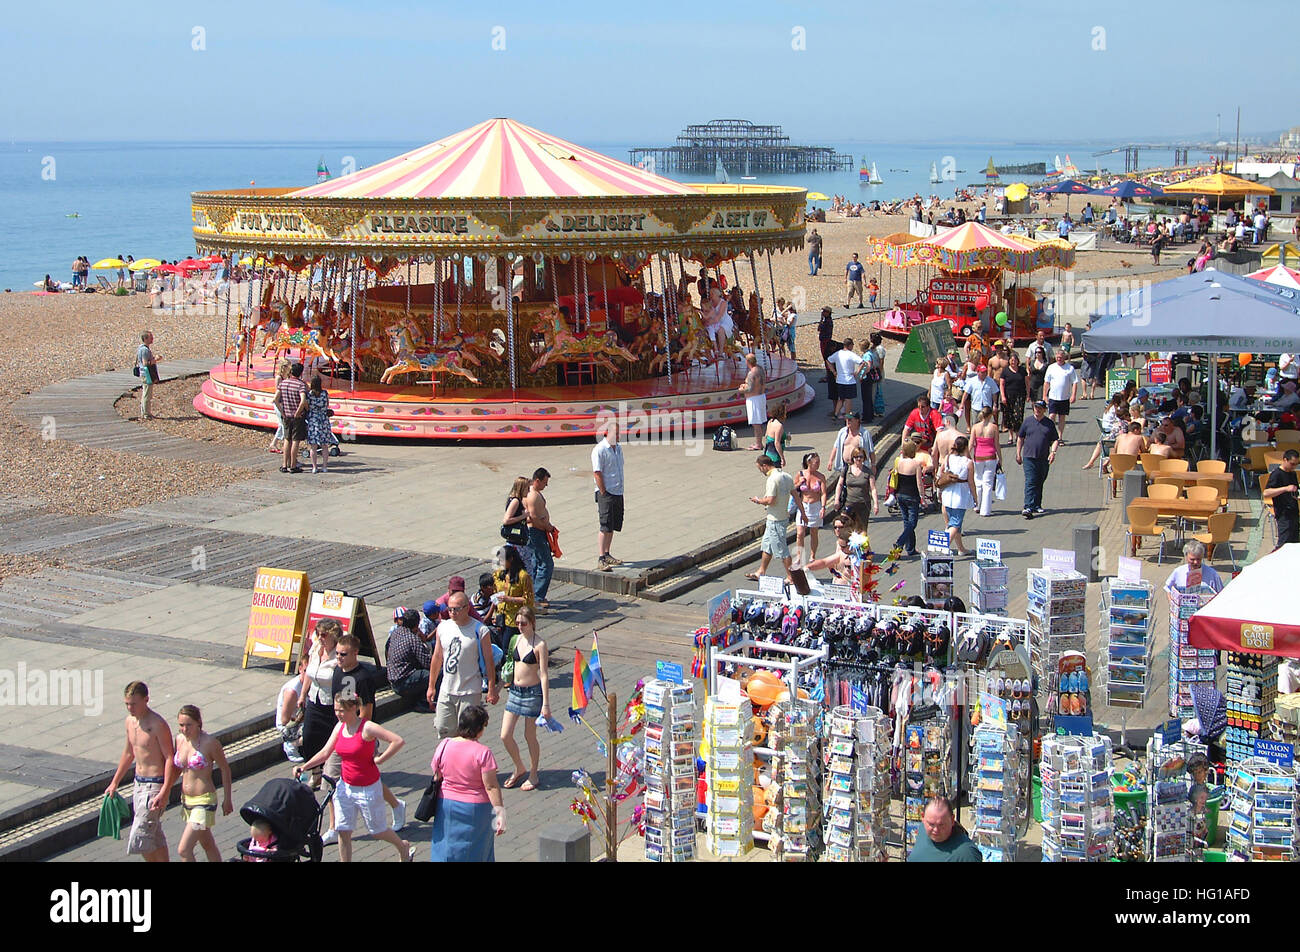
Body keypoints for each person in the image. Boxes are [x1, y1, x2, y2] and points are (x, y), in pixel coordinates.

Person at [293, 691, 412, 862]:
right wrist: (304, 767)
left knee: (377, 831)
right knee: (343, 830)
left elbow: (397, 741)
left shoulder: (367, 727)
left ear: (354, 708)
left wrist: (380, 759)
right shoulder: (339, 727)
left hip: (368, 788)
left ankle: (403, 847)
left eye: (342, 711)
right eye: (336, 710)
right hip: (345, 787)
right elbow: (326, 752)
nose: (338, 714)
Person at [332, 633, 407, 830]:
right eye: (337, 653)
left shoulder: (363, 677)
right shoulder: (337, 672)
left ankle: (396, 805)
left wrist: (361, 735)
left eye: (343, 654)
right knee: (344, 778)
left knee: (366, 776)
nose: (338, 658)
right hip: (343, 732)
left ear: (355, 653)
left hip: (360, 735)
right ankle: (335, 827)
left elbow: (367, 709)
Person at [106, 681, 177, 862]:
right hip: (138, 783)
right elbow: (129, 753)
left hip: (154, 784)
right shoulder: (130, 722)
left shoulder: (157, 724)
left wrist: (165, 790)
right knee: (153, 834)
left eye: (134, 704)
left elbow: (170, 757)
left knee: (140, 837)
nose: (130, 708)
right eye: (127, 704)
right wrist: (115, 782)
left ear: (146, 700)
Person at [428, 705, 506, 862]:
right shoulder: (483, 752)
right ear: (478, 729)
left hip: (446, 805)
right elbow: (490, 786)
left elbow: (437, 772)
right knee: (477, 850)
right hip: (476, 809)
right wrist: (500, 812)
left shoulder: (444, 745)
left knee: (445, 846)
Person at [428, 592, 499, 740]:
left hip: (470, 691)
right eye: (450, 609)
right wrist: (431, 686)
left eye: (456, 609)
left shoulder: (480, 630)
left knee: (467, 733)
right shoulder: (443, 627)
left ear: (467, 608)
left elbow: (489, 660)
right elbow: (437, 657)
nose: (452, 613)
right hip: (447, 690)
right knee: (443, 728)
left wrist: (491, 688)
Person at [172, 705, 232, 862]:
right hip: (187, 802)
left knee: (184, 849)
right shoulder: (179, 740)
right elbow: (178, 770)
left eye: (188, 725)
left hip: (204, 803)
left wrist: (227, 799)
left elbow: (225, 769)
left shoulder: (210, 743)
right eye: (181, 725)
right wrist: (164, 791)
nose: (184, 729)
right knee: (207, 842)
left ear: (199, 722)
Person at [499, 606, 551, 791]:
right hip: (514, 691)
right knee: (505, 735)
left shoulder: (540, 644)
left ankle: (533, 773)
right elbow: (509, 667)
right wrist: (497, 688)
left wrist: (546, 704)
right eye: (518, 623)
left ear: (532, 623)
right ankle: (519, 766)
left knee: (529, 736)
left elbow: (544, 674)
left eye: (523, 623)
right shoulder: (515, 639)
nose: (520, 626)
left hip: (532, 693)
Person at [746, 450, 794, 582]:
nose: (760, 471)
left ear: (764, 466)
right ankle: (761, 571)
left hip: (776, 520)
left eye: (759, 468)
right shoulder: (786, 476)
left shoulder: (772, 479)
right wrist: (803, 513)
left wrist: (758, 500)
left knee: (781, 549)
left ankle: (791, 577)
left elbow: (770, 500)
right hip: (780, 517)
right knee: (767, 546)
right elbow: (795, 495)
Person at [1017, 400, 1060, 518]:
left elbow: (1055, 439)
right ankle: (1028, 506)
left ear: (1044, 410)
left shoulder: (1049, 423)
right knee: (1030, 481)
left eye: (1040, 408)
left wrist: (1053, 452)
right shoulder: (1027, 421)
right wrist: (1018, 453)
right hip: (1029, 457)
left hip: (1043, 457)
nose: (1037, 409)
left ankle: (1036, 504)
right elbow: (1020, 438)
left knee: (1040, 480)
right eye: (1036, 407)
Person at [591, 420, 625, 570]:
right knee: (605, 525)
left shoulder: (618, 448)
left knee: (613, 524)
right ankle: (601, 558)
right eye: (616, 433)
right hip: (607, 492)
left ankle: (607, 553)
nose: (619, 436)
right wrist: (603, 491)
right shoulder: (599, 450)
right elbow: (597, 472)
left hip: (618, 491)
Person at [907, 796, 983, 862]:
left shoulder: (967, 854)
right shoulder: (923, 829)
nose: (935, 830)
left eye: (941, 825)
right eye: (931, 824)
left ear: (952, 820)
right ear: (923, 818)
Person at [493, 544, 535, 661]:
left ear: (511, 559)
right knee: (501, 644)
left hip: (514, 618)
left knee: (507, 647)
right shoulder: (499, 574)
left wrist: (510, 599)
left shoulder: (523, 576)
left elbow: (528, 599)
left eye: (502, 560)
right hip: (501, 615)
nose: (500, 563)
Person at [387, 608, 433, 711]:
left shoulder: (396, 632)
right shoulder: (413, 639)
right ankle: (424, 702)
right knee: (434, 674)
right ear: (417, 624)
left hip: (393, 678)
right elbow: (427, 663)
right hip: (402, 682)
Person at [937, 435, 976, 555]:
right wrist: (976, 498)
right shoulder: (969, 463)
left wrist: (939, 492)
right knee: (955, 523)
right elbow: (971, 482)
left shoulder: (948, 458)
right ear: (965, 448)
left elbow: (941, 473)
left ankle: (961, 549)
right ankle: (942, 547)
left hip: (947, 493)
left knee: (954, 523)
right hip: (960, 496)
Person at [524, 467, 554, 609]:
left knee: (536, 563)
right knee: (546, 564)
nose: (546, 485)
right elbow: (533, 517)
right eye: (544, 482)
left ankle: (535, 595)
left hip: (537, 532)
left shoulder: (533, 493)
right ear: (537, 480)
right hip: (536, 533)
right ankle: (538, 595)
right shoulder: (533, 495)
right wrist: (547, 527)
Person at [890, 441, 925, 557]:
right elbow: (919, 483)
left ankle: (910, 549)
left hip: (900, 495)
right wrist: (923, 497)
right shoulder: (916, 464)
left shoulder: (899, 462)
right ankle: (900, 542)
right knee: (912, 523)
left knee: (906, 522)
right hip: (912, 496)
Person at [273, 362, 308, 474]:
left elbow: (275, 399)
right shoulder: (300, 385)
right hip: (296, 417)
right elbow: (303, 400)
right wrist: (298, 412)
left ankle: (284, 464)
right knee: (295, 441)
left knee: (287, 440)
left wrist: (282, 412)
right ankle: (293, 465)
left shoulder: (283, 383)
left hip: (286, 415)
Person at [793, 452, 827, 566]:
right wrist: (799, 483)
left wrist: (823, 507)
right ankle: (799, 556)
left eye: (819, 462)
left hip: (815, 506)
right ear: (809, 463)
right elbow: (792, 489)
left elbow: (823, 493)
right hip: (803, 506)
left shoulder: (820, 477)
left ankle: (812, 555)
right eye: (816, 462)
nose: (818, 464)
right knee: (800, 533)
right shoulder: (800, 474)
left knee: (814, 532)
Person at [1264, 448, 1300, 547]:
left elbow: (1294, 490)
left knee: (1294, 543)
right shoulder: (1277, 474)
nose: (1294, 467)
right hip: (1283, 512)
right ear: (1285, 460)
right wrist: (1285, 489)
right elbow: (1266, 493)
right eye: (1292, 464)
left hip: (1293, 511)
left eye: (1296, 464)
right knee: (1283, 543)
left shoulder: (1292, 473)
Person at [970, 407, 1002, 517]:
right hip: (990, 456)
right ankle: (986, 510)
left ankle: (977, 505)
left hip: (978, 456)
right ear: (990, 415)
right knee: (987, 483)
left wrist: (967, 456)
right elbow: (997, 444)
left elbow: (971, 443)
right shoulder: (994, 427)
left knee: (978, 480)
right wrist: (1000, 458)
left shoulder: (975, 427)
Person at [1042, 349, 1078, 441]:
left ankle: (1060, 437)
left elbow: (1074, 382)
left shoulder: (1070, 368)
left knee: (1062, 418)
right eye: (1057, 357)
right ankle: (1051, 435)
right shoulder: (1051, 367)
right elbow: (1046, 382)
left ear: (1064, 358)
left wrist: (1073, 395)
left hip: (1064, 398)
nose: (1059, 359)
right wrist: (1045, 395)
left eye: (1061, 357)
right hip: (1053, 397)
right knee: (1051, 416)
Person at [840, 446, 879, 531]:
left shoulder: (868, 472)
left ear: (864, 458)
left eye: (861, 457)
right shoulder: (846, 470)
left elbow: (873, 489)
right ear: (852, 458)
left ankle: (863, 544)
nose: (858, 459)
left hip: (863, 505)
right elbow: (839, 485)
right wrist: (836, 500)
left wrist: (876, 503)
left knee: (862, 531)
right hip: (849, 504)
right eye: (856, 457)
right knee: (848, 530)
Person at [303, 375, 332, 473]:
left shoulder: (309, 394)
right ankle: (324, 466)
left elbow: (307, 406)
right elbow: (327, 404)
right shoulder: (324, 393)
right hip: (323, 419)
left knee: (313, 446)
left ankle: (314, 467)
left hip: (313, 420)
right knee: (325, 445)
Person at [825, 338, 862, 419]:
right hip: (849, 380)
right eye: (852, 345)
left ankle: (835, 414)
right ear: (850, 345)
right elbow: (862, 362)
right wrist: (857, 372)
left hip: (839, 380)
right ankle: (847, 416)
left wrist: (834, 371)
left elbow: (828, 361)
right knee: (848, 399)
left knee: (841, 399)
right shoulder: (851, 354)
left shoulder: (838, 353)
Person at [737, 353, 768, 448]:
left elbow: (750, 388)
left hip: (754, 399)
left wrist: (741, 389)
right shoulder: (760, 369)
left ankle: (759, 443)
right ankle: (759, 442)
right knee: (759, 422)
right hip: (761, 396)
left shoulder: (751, 373)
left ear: (747, 362)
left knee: (756, 423)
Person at [276, 674, 305, 762]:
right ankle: (291, 744)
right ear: (300, 669)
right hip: (290, 725)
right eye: (305, 670)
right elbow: (285, 720)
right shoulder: (292, 690)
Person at [962, 363, 1000, 430]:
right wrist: (962, 404)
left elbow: (994, 393)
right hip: (976, 407)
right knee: (976, 426)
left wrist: (995, 404)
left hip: (986, 408)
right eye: (982, 372)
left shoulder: (990, 381)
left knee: (986, 427)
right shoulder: (972, 381)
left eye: (985, 372)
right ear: (978, 372)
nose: (984, 374)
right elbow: (966, 393)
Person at [999, 351, 1028, 439]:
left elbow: (1027, 383)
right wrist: (1003, 396)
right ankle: (1010, 435)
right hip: (1008, 396)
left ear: (1018, 361)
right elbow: (1002, 384)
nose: (1013, 362)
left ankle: (1018, 434)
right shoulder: (1005, 371)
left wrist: (1028, 394)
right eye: (1011, 360)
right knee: (1008, 415)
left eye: (1015, 360)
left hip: (1020, 396)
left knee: (1018, 416)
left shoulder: (1022, 370)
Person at [858, 333, 886, 423]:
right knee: (872, 393)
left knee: (876, 392)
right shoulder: (871, 350)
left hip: (875, 373)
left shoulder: (879, 349)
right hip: (875, 372)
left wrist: (879, 373)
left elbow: (881, 362)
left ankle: (878, 411)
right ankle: (873, 411)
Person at [136, 330, 160, 421]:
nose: (152, 339)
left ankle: (145, 412)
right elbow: (146, 363)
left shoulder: (140, 348)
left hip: (143, 373)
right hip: (146, 374)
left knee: (145, 393)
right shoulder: (145, 350)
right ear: (145, 338)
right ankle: (146, 414)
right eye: (151, 337)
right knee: (147, 394)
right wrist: (156, 360)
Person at [764, 403, 789, 468]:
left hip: (768, 453)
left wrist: (785, 437)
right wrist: (782, 458)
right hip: (775, 456)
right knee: (777, 475)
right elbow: (777, 443)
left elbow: (766, 436)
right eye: (785, 411)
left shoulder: (770, 422)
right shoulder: (779, 426)